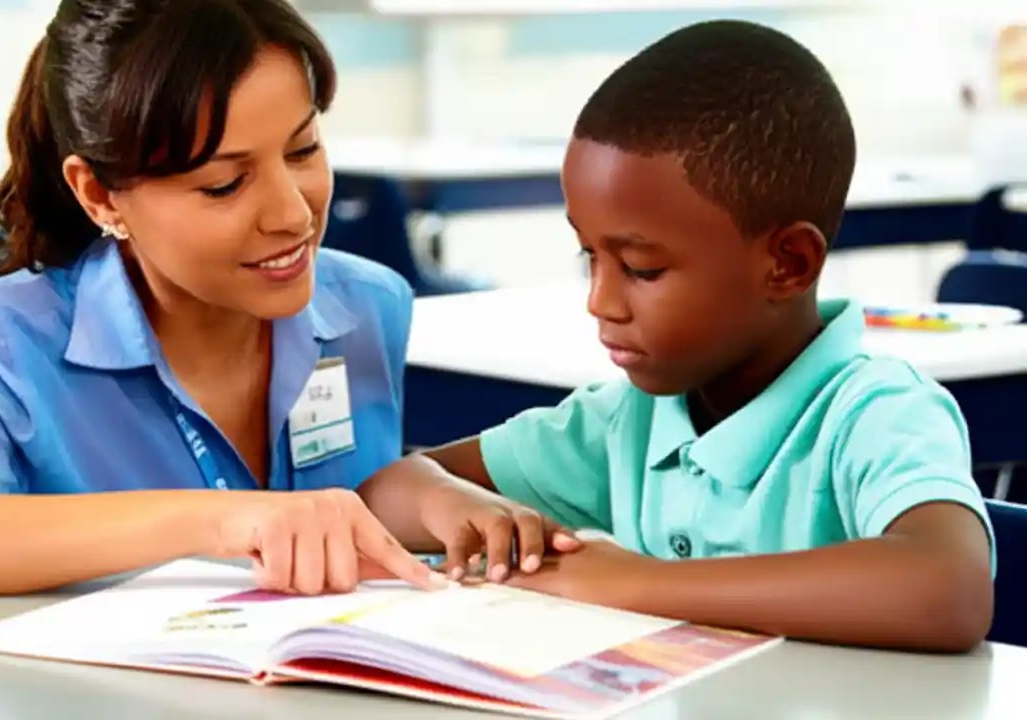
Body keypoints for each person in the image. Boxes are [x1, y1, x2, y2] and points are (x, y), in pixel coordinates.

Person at [0, 0, 569, 609]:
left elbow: (340, 499)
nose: (292, 215)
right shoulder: (5, 342)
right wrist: (216, 520)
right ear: (100, 195)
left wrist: (424, 492)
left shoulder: (362, 307)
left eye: (303, 149)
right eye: (224, 184)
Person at [360, 20, 995, 653]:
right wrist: (452, 505)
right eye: (589, 257)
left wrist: (637, 583)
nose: (600, 301)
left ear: (788, 264)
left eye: (641, 269)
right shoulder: (627, 422)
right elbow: (386, 493)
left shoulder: (876, 413)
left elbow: (950, 589)